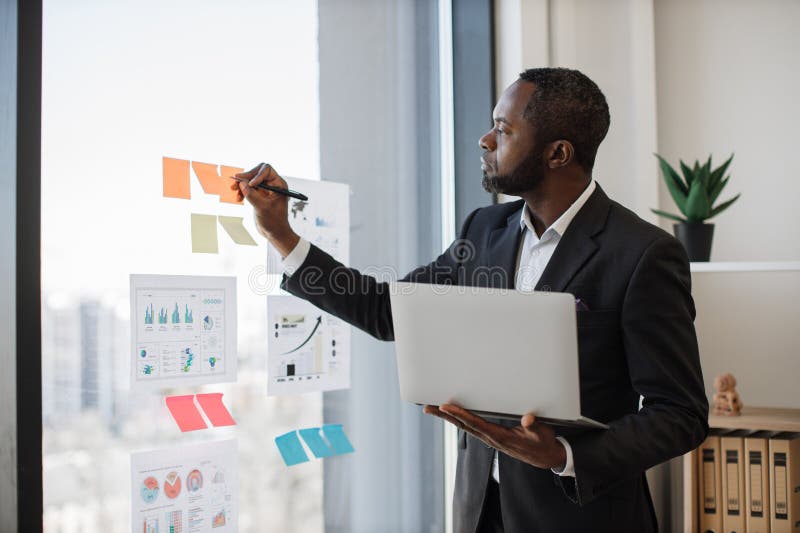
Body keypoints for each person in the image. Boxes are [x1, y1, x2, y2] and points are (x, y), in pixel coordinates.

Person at [231, 67, 708, 533]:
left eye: (503, 129)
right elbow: (387, 311)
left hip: (582, 517)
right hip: (479, 509)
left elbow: (680, 414)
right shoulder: (483, 230)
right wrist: (281, 235)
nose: (485, 140)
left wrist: (563, 454)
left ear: (558, 153)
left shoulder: (643, 253)